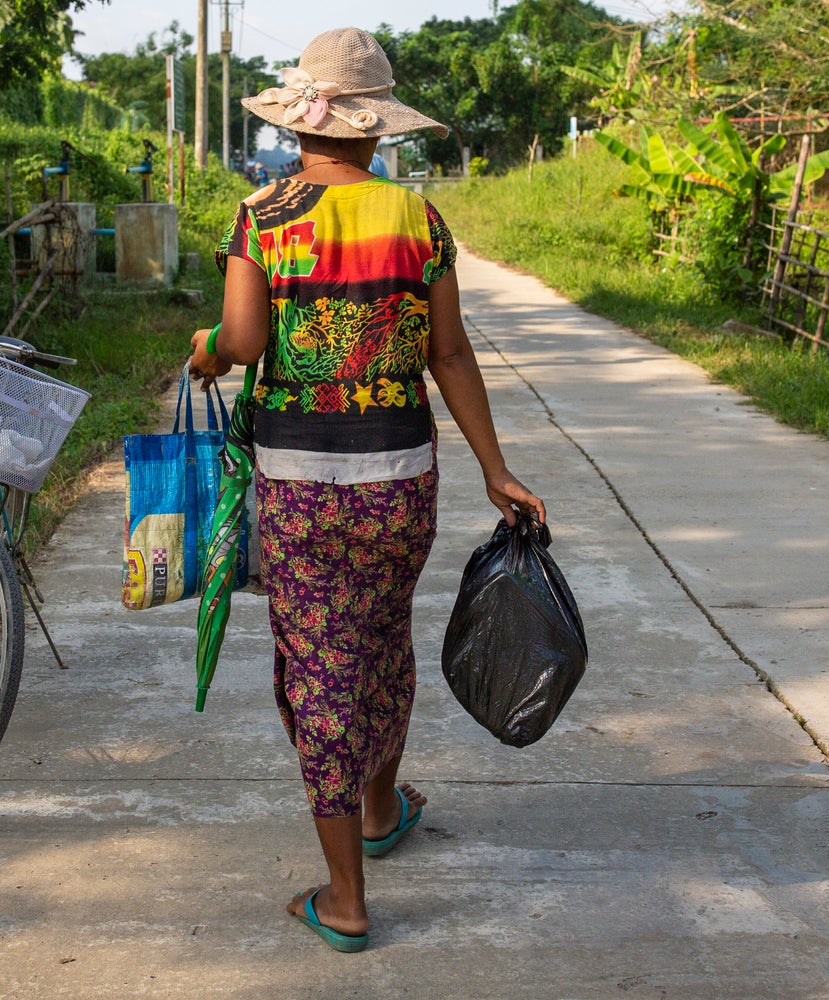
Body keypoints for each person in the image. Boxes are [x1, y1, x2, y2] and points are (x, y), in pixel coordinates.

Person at [187, 26, 545, 953]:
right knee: (382, 643)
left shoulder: (262, 214)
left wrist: (206, 350)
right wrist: (496, 469)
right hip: (400, 482)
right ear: (376, 127)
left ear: (297, 122)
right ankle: (381, 812)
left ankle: (346, 900)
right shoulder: (418, 219)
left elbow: (243, 343)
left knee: (321, 671)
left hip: (300, 487)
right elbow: (450, 353)